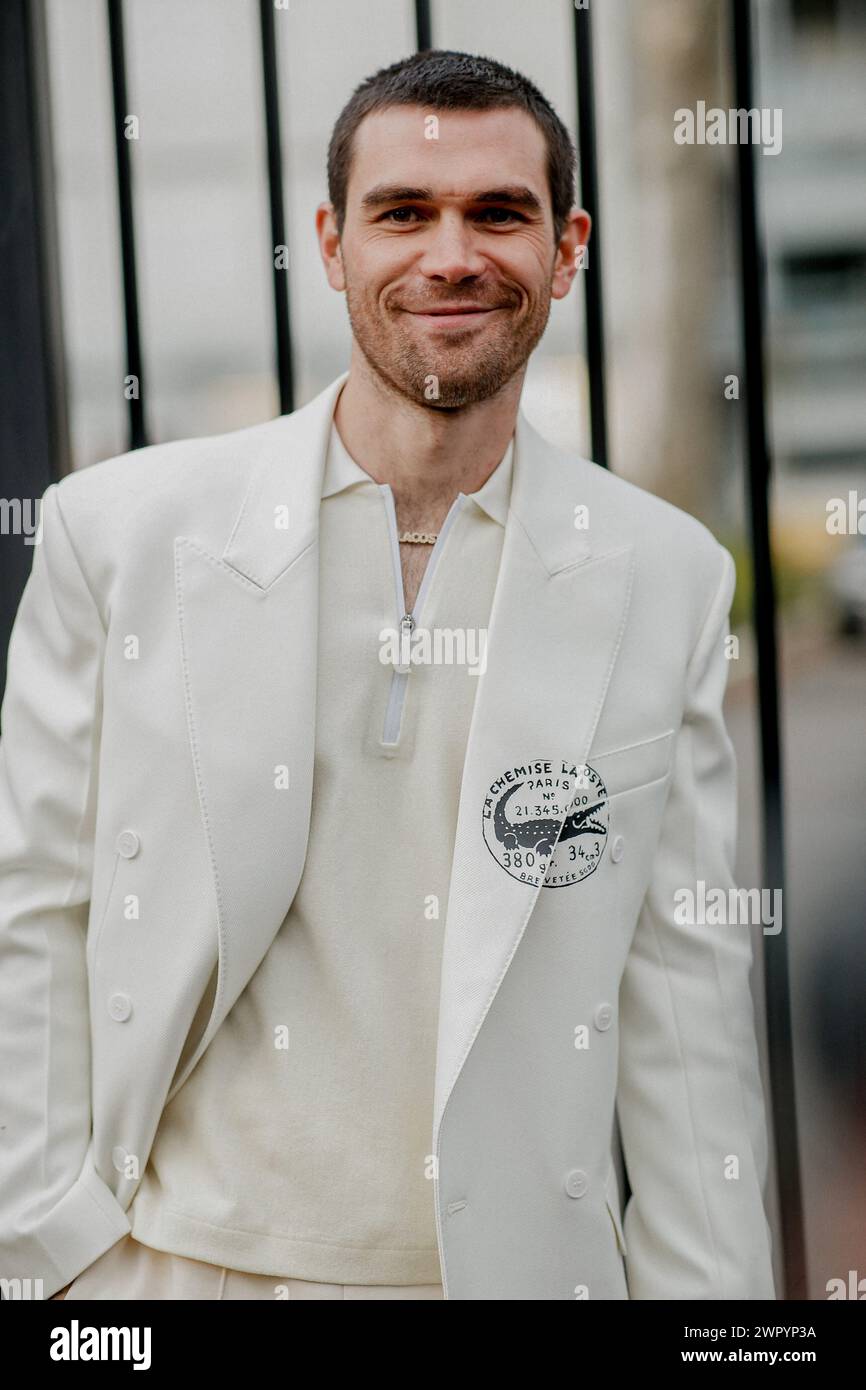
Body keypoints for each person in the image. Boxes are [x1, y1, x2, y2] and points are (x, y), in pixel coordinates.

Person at [0, 49, 776, 1302]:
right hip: (172, 1278)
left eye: (498, 213)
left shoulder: (662, 575)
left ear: (568, 247)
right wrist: (50, 1262)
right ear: (331, 241)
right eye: (403, 213)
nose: (451, 255)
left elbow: (684, 1006)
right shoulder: (120, 538)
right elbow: (31, 914)